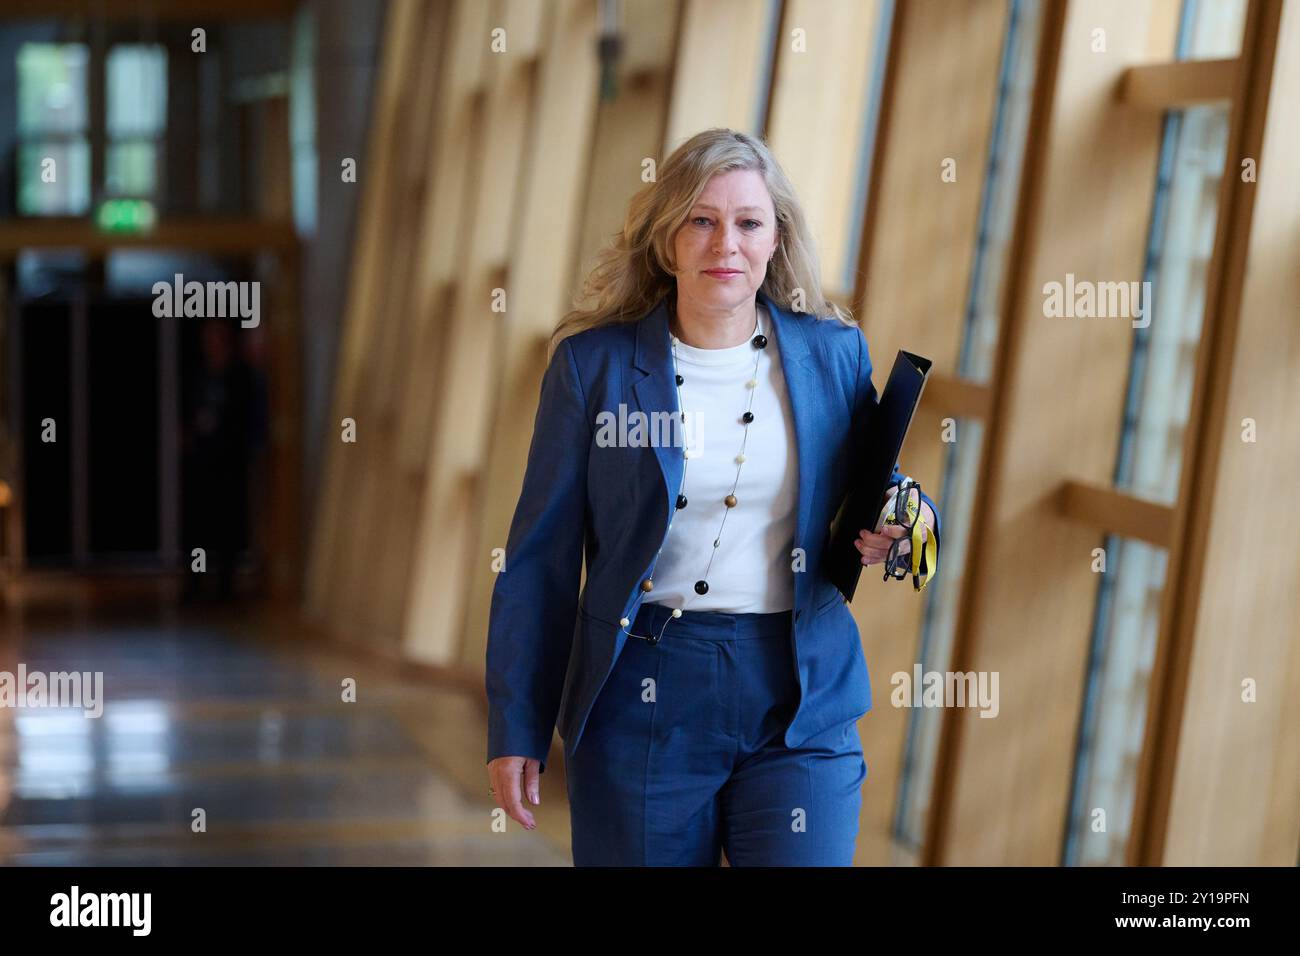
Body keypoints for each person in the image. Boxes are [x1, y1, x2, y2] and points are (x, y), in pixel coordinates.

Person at [485, 128, 940, 866]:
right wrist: (516, 728)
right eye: (701, 220)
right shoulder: (591, 369)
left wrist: (906, 521)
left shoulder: (832, 352)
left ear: (774, 239)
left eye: (748, 223)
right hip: (644, 696)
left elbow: (877, 486)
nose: (724, 242)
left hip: (798, 698)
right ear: (667, 240)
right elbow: (537, 561)